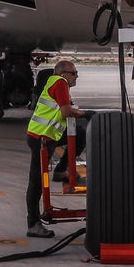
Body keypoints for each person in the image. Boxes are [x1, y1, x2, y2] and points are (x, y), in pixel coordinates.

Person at [25, 58, 85, 238]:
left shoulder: (56, 82)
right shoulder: (60, 83)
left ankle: (60, 170)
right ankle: (33, 224)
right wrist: (85, 113)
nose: (76, 77)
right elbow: (66, 112)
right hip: (40, 138)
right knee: (36, 182)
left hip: (48, 135)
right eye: (73, 73)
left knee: (80, 135)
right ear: (63, 74)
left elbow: (62, 112)